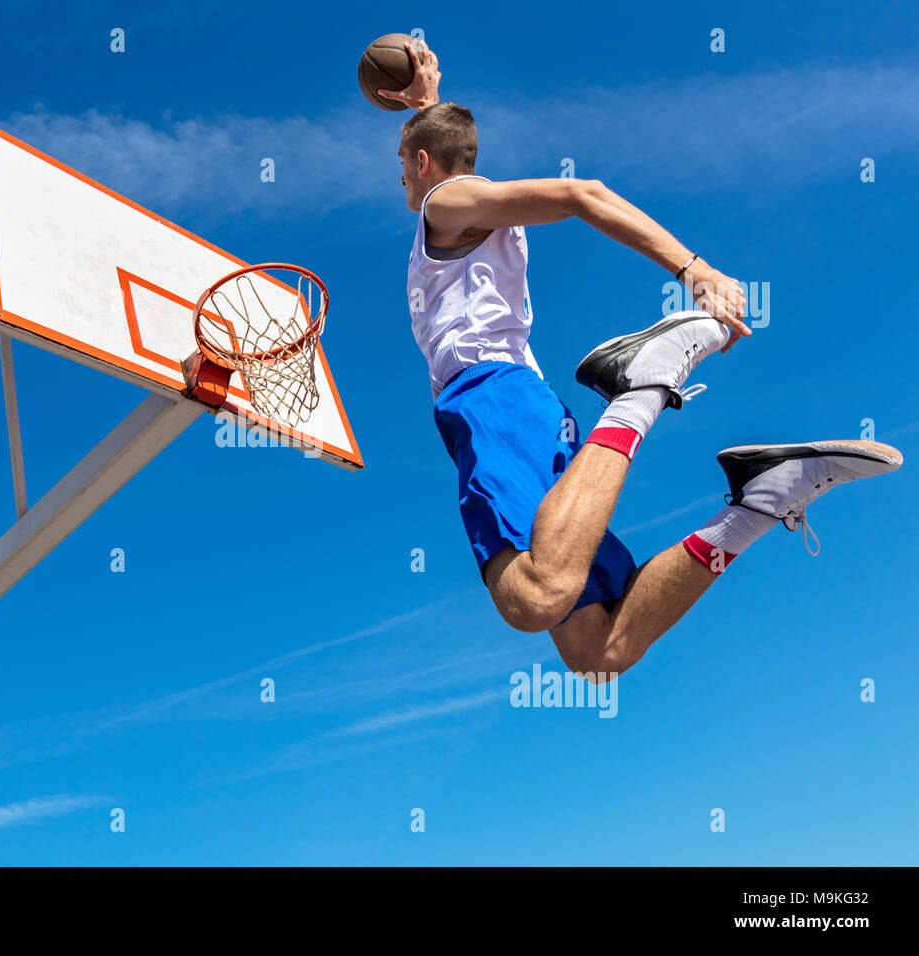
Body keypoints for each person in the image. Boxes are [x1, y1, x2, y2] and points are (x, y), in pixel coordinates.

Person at [379, 43, 903, 677]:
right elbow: (460, 159)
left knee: (533, 597)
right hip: (523, 402)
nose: (399, 176)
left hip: (489, 396)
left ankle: (641, 386)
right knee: (598, 653)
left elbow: (582, 193)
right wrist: (428, 105)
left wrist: (694, 269)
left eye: (403, 162)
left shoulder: (443, 204)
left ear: (424, 162)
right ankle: (761, 501)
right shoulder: (471, 202)